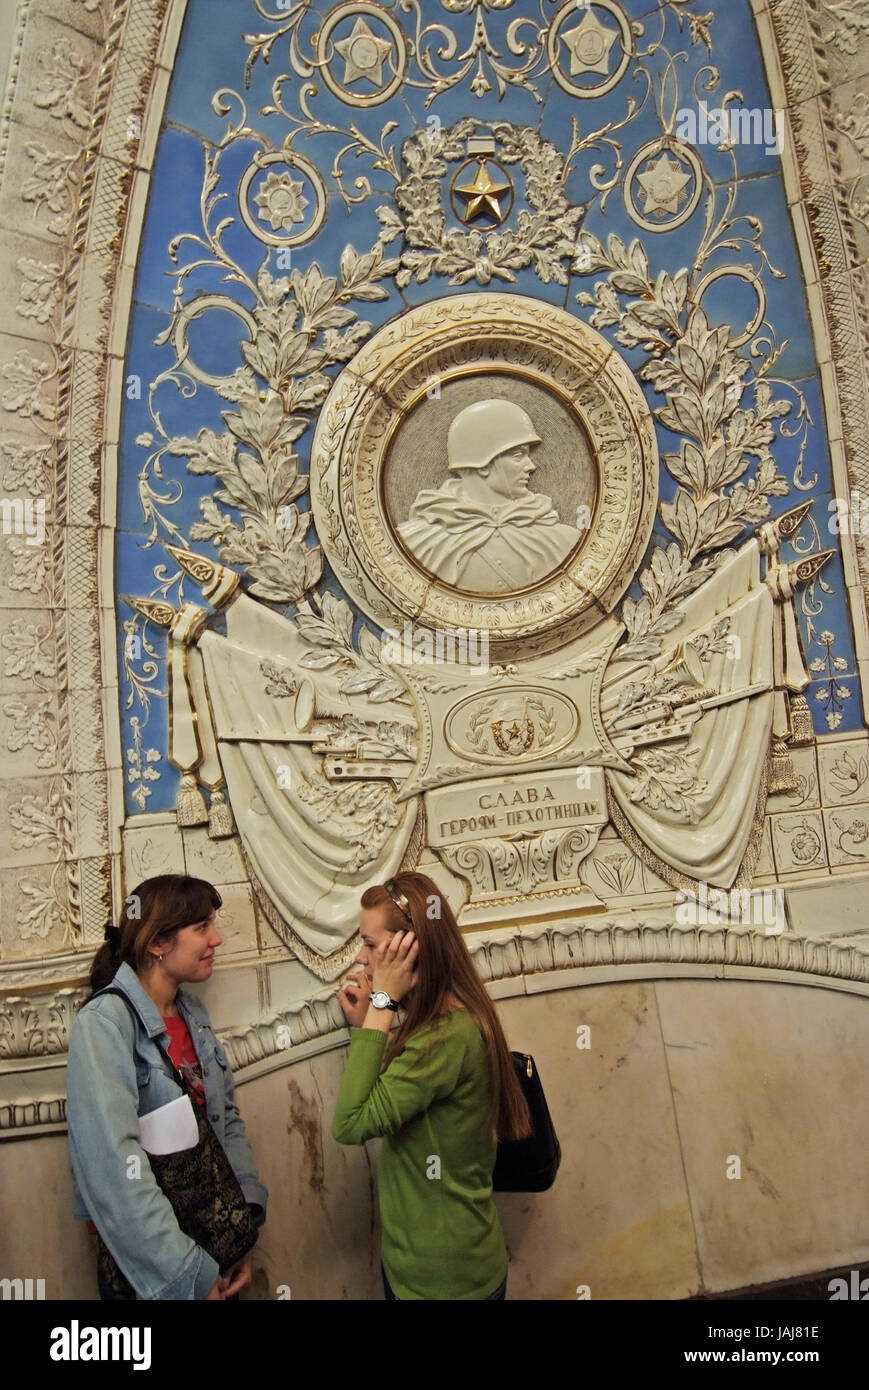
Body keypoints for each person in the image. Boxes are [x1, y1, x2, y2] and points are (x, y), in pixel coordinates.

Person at [66, 874, 267, 1300]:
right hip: (158, 1274)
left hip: (218, 1255)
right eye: (202, 927)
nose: (217, 939)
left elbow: (226, 1120)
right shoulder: (104, 1024)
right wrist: (188, 1276)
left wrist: (241, 1229)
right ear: (158, 943)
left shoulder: (193, 1014)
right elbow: (114, 1170)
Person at [331, 870, 531, 1300]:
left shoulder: (444, 1039)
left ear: (409, 951)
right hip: (434, 1265)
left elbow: (350, 1124)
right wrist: (372, 1021)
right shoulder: (451, 1020)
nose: (361, 959)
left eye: (370, 945)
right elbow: (403, 1092)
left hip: (442, 1281)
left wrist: (383, 1003)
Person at [396, 398, 584, 591]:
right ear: (483, 464)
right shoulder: (415, 542)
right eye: (518, 456)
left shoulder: (563, 541)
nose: (531, 466)